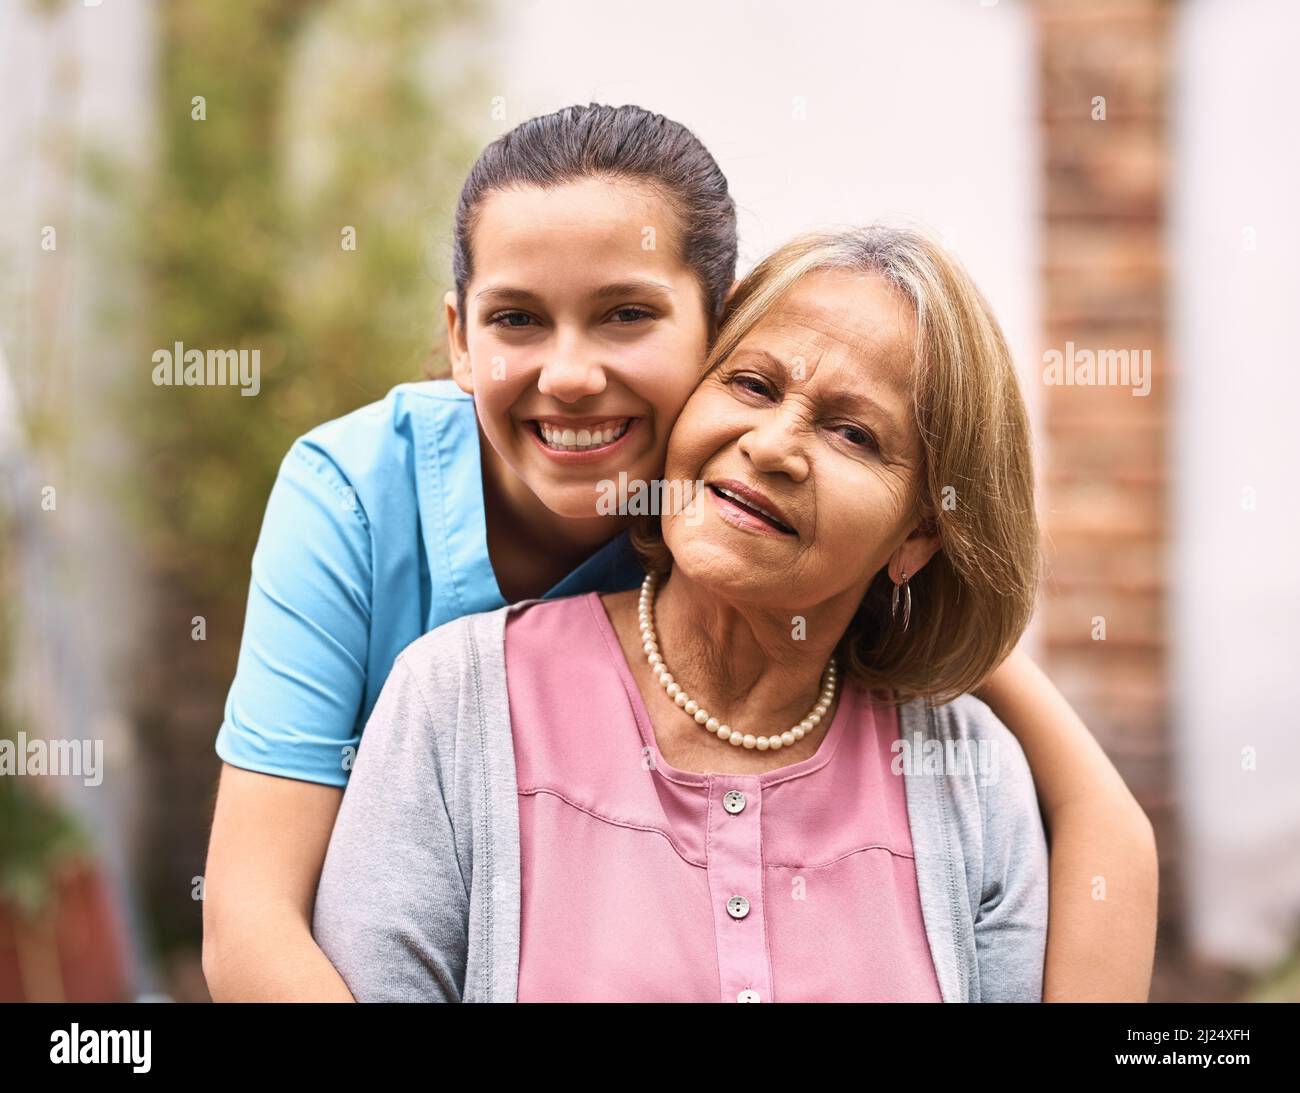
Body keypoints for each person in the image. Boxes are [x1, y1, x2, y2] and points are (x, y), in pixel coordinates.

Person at [203, 106, 1157, 1002]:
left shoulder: (738, 500)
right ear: (458, 338)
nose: (572, 377)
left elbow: (1092, 810)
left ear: (715, 323)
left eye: (626, 315)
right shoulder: (369, 516)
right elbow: (248, 918)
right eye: (515, 318)